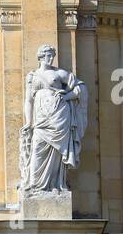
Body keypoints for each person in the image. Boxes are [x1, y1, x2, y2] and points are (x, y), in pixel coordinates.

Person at [20, 44, 87, 196]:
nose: (50, 58)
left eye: (52, 55)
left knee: (57, 152)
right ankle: (35, 185)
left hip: (59, 117)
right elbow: (28, 101)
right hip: (41, 119)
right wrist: (28, 122)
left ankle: (55, 185)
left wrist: (66, 96)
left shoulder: (60, 73)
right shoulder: (32, 76)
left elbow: (80, 88)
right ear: (40, 57)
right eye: (47, 55)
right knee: (37, 148)